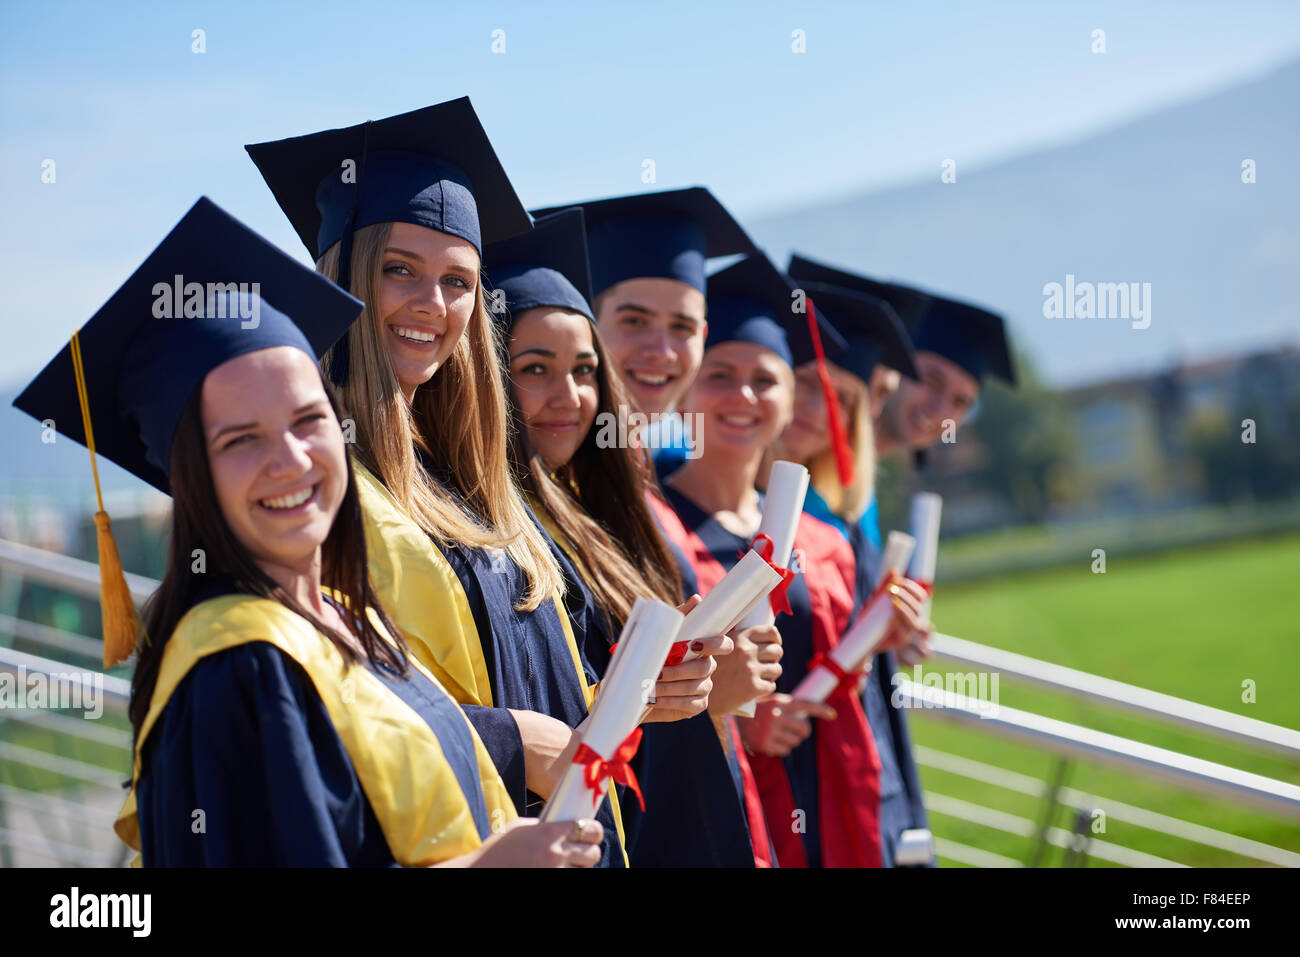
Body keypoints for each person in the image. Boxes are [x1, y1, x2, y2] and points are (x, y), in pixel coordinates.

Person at [13, 198, 602, 866]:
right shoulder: (240, 665)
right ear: (192, 474)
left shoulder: (349, 620)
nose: (291, 459)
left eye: (307, 420)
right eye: (241, 438)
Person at [247, 99, 641, 866]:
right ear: (344, 277)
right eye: (400, 270)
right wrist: (500, 739)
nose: (433, 305)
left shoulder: (476, 483)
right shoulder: (304, 487)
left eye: (459, 281)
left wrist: (639, 691)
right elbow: (307, 709)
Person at [484, 207, 771, 866]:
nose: (568, 394)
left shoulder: (605, 503)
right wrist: (696, 697)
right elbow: (571, 721)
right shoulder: (502, 534)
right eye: (533, 367)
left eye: (584, 370)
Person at [652, 252, 928, 867]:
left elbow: (834, 682)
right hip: (718, 810)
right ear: (687, 382)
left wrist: (881, 633)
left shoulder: (821, 541)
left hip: (825, 797)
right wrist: (730, 718)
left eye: (769, 380)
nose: (743, 396)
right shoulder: (649, 530)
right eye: (719, 374)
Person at [787, 252, 1017, 866]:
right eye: (930, 380)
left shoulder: (858, 496)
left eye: (962, 401)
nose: (941, 407)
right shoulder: (799, 489)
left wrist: (886, 629)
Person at [533, 187, 756, 462]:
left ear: (703, 336)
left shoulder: (643, 478)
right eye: (635, 321)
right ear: (587, 326)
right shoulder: (542, 475)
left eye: (682, 327)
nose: (662, 352)